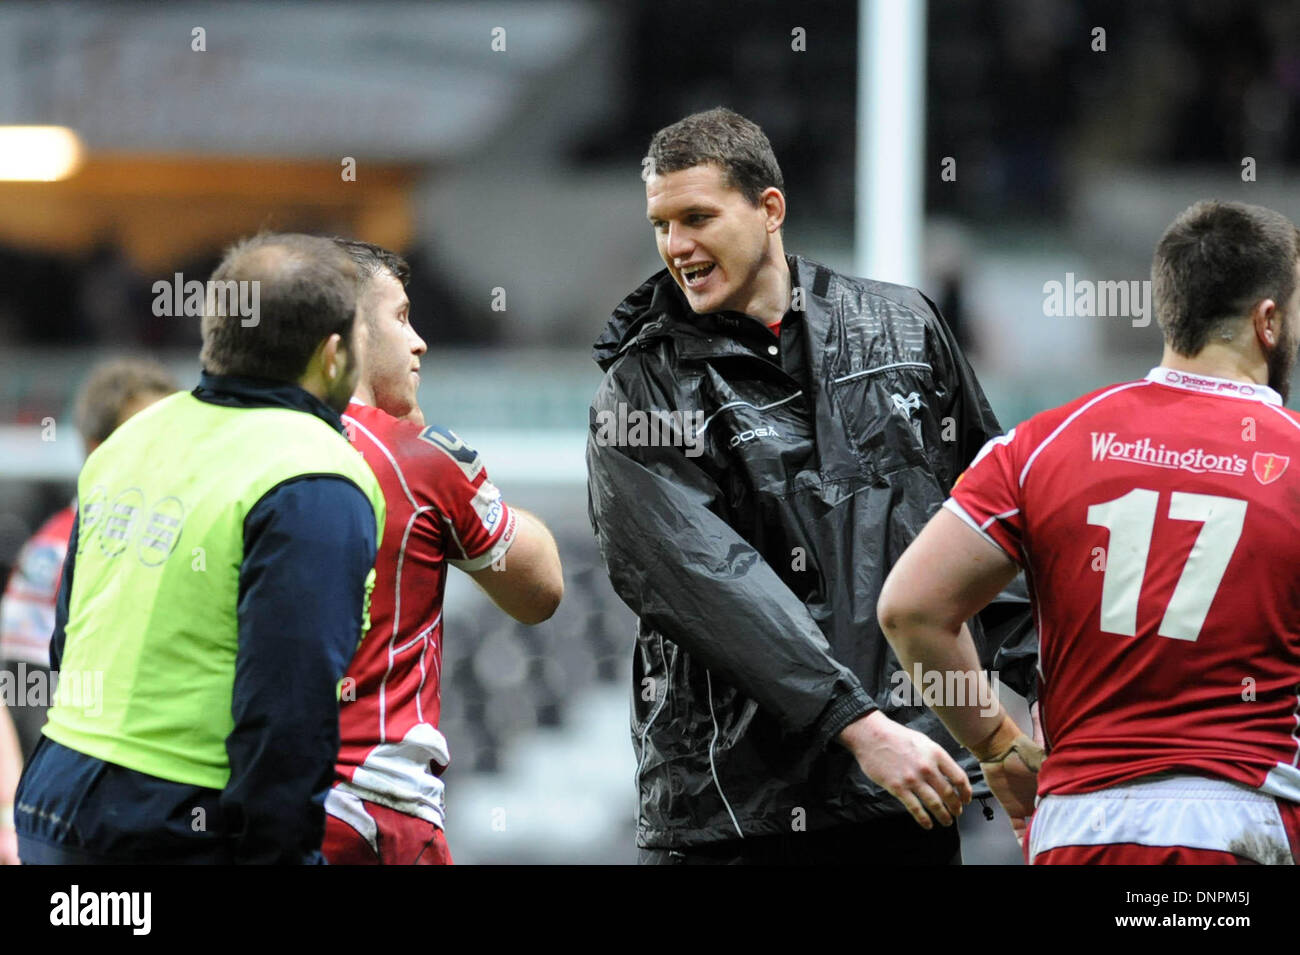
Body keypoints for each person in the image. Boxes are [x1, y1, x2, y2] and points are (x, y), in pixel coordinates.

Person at [586, 107, 1036, 864]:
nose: (676, 247)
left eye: (697, 217)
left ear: (770, 210)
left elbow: (989, 532)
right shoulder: (643, 392)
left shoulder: (906, 329)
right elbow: (709, 582)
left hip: (908, 793)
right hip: (734, 817)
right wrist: (857, 724)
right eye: (661, 224)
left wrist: (1058, 691)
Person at [877, 199, 1300, 865]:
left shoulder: (1047, 442)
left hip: (1079, 827)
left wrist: (995, 743)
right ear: (1268, 322)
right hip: (1239, 829)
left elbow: (910, 608)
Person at [14, 232, 386, 864]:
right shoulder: (314, 475)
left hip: (53, 803)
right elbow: (287, 710)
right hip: (166, 824)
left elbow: (68, 640)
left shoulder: (131, 440)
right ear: (331, 354)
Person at [323, 239, 563, 865]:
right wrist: (442, 461)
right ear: (349, 331)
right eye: (401, 316)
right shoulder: (417, 457)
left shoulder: (237, 448)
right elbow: (541, 593)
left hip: (243, 805)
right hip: (374, 812)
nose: (419, 341)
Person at [1, 358, 177, 762]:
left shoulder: (186, 538)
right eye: (150, 437)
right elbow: (25, 690)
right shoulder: (53, 553)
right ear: (100, 450)